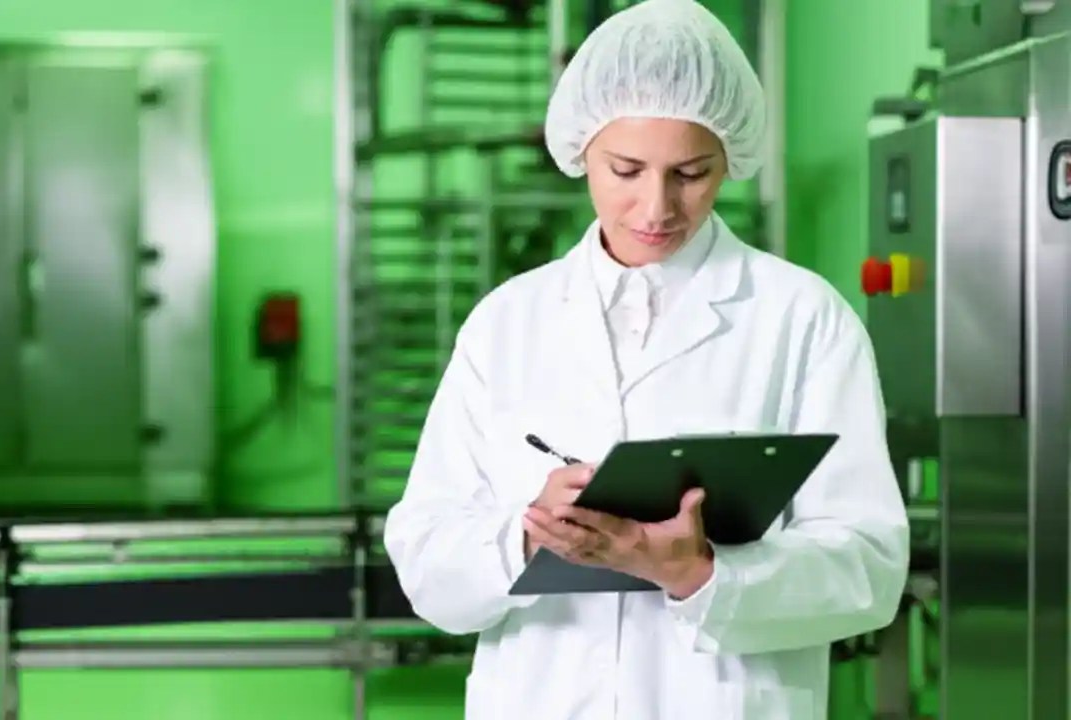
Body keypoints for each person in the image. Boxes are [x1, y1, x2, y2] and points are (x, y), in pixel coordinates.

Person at [382, 0, 910, 717]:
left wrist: (700, 573)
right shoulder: (506, 324)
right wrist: (522, 535)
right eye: (625, 169)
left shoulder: (802, 319)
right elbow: (427, 557)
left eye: (691, 172)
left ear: (730, 158)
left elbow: (869, 569)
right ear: (579, 152)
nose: (656, 206)